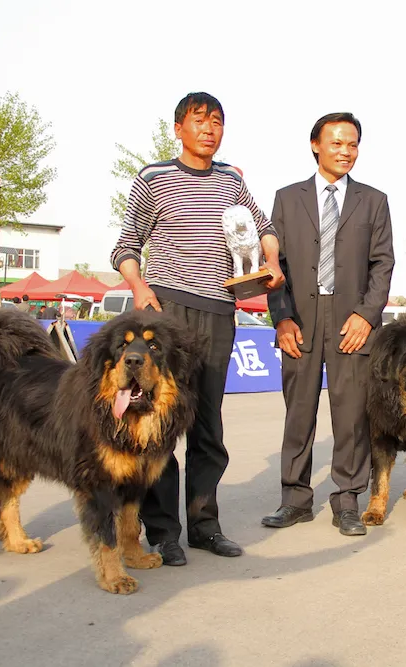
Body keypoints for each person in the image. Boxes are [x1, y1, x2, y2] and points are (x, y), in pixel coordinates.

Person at [112, 92, 284, 563]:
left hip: (218, 313)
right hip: (166, 315)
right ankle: (163, 532)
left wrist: (270, 260)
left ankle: (204, 526)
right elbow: (126, 244)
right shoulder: (154, 177)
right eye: (199, 120)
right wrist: (139, 285)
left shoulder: (232, 179)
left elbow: (262, 226)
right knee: (160, 422)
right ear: (178, 128)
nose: (209, 129)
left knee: (208, 425)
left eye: (217, 122)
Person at [262, 112, 394, 537]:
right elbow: (274, 266)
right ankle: (295, 499)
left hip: (350, 319)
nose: (345, 151)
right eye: (336, 142)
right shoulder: (287, 198)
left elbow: (382, 264)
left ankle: (348, 500)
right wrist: (282, 317)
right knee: (298, 411)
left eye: (352, 144)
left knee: (351, 413)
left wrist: (366, 315)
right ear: (316, 145)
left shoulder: (374, 200)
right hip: (300, 317)